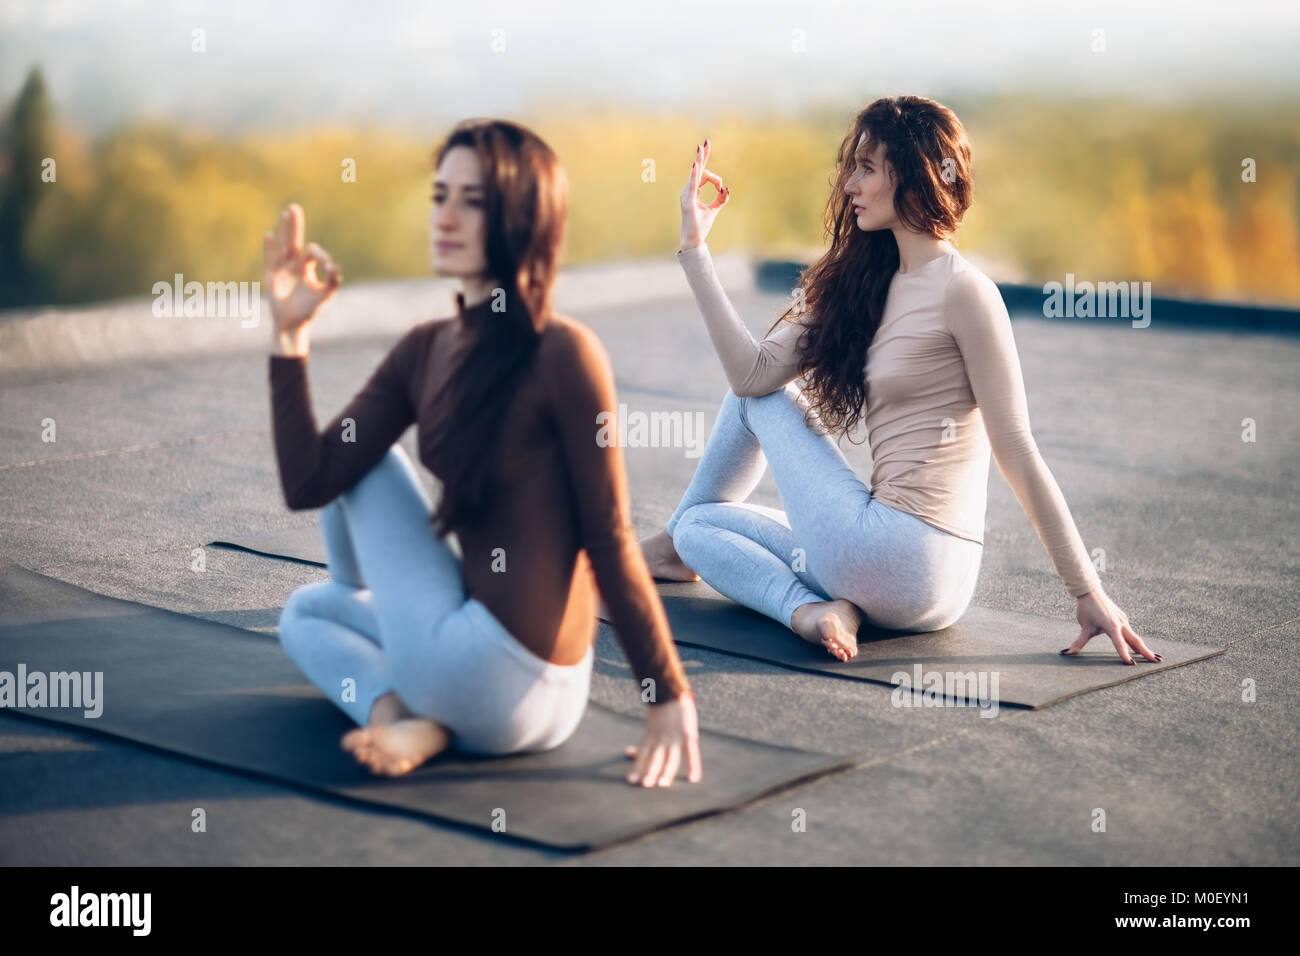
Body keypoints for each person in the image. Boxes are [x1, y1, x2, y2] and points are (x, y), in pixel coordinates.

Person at [641, 95, 1161, 668]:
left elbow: (1017, 448)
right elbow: (752, 370)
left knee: (750, 416)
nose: (849, 186)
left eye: (866, 168)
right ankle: (809, 597)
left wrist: (1087, 591)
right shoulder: (859, 283)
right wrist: (697, 247)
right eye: (851, 169)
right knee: (699, 525)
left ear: (913, 174)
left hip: (891, 550)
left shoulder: (964, 291)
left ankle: (795, 607)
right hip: (938, 591)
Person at [265, 119, 702, 787]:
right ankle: (411, 717)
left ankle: (396, 703)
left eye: (473, 200)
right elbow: (308, 482)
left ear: (522, 218)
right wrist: (290, 333)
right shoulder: (440, 346)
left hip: (481, 670)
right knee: (304, 612)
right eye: (440, 195)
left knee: (369, 465)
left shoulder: (556, 351)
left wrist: (667, 694)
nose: (446, 215)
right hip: (557, 702)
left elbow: (610, 537)